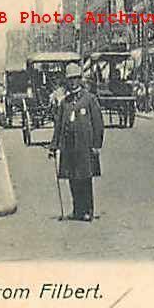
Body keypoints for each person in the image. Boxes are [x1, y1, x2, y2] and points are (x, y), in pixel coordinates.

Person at [49, 63, 104, 221]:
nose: (73, 82)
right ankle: (77, 210)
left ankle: (87, 210)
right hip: (69, 147)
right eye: (70, 79)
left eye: (75, 78)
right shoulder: (64, 103)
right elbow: (58, 126)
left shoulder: (89, 99)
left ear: (80, 80)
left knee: (85, 178)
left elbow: (98, 124)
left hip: (85, 146)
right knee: (72, 178)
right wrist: (53, 147)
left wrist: (96, 144)